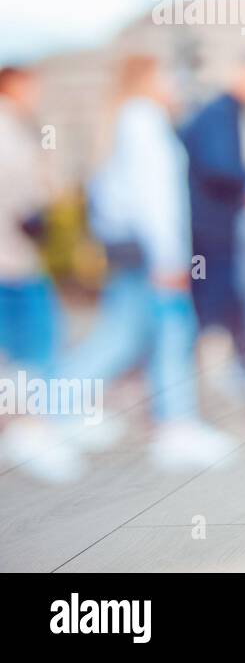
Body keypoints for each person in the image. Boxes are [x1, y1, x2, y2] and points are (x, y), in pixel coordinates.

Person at [61, 55, 237, 471]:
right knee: (167, 332)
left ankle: (59, 409)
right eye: (170, 76)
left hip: (135, 248)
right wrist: (170, 258)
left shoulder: (129, 118)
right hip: (152, 252)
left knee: (130, 335)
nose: (177, 85)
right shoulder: (143, 120)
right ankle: (173, 428)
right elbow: (154, 199)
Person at [179, 58, 245, 399]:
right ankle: (200, 377)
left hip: (216, 228)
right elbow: (217, 166)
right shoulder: (219, 114)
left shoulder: (231, 113)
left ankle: (227, 372)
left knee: (226, 302)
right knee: (211, 304)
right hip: (209, 230)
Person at [0, 66, 83, 482]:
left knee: (28, 344)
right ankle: (29, 429)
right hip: (12, 258)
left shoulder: (18, 125)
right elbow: (21, 192)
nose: (36, 93)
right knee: (36, 342)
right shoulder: (7, 128)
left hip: (18, 257)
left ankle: (30, 425)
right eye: (30, 85)